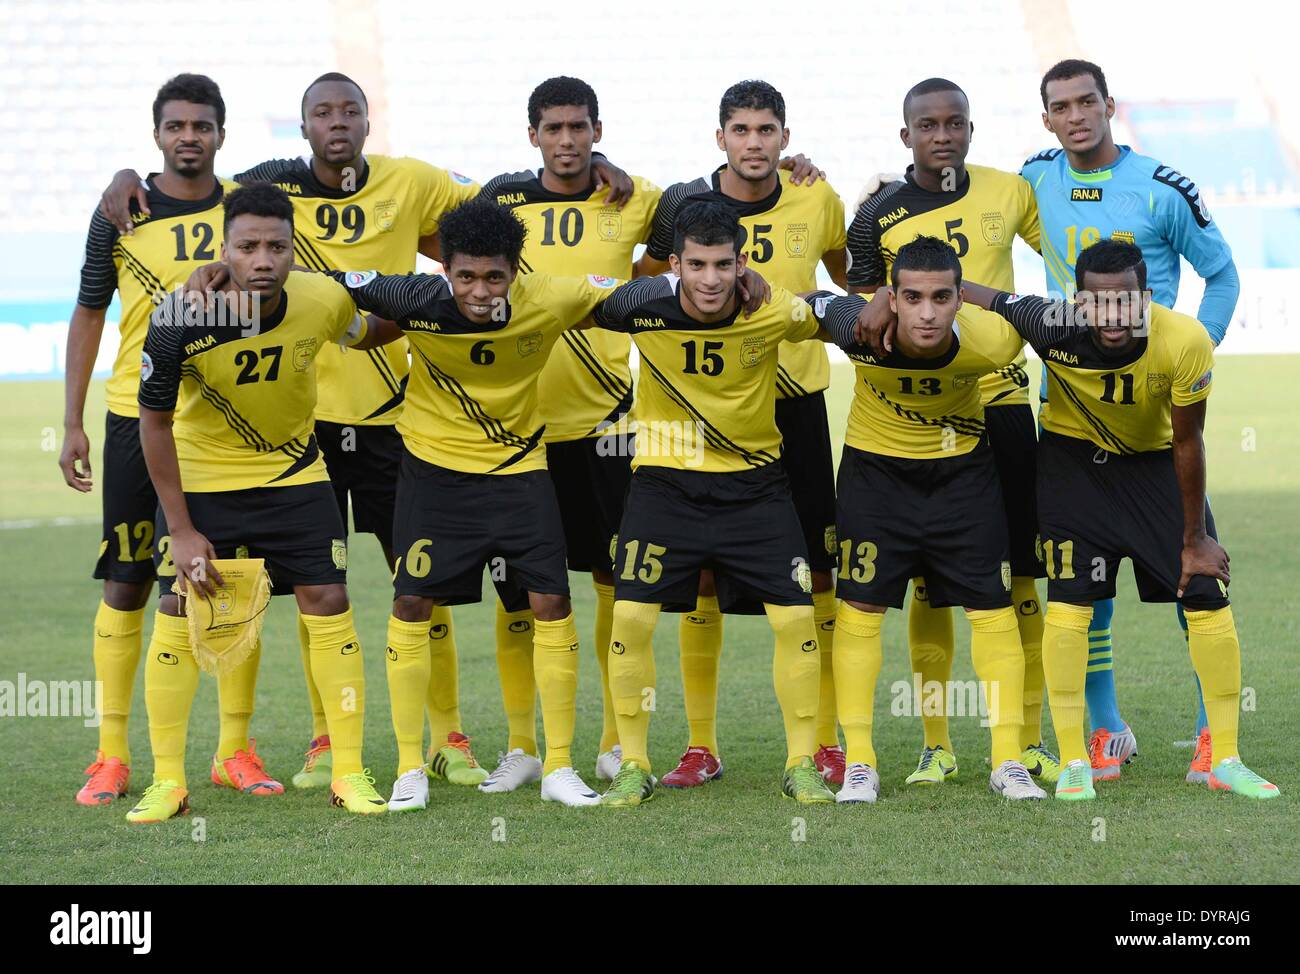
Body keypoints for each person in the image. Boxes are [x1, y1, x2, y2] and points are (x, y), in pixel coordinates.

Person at [958, 239, 1275, 801]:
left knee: (1204, 588)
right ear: (1077, 303)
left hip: (1154, 465)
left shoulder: (1184, 340)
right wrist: (888, 295)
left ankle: (1223, 757)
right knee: (1071, 601)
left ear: (1146, 297)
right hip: (1072, 471)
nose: (1111, 315)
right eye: (1097, 303)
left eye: (1125, 302)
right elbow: (986, 296)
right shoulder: (1049, 322)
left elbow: (1188, 439)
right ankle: (1076, 759)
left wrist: (1196, 537)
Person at [128, 182, 399, 822]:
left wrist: (443, 315)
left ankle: (349, 773)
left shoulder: (323, 300)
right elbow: (153, 423)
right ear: (222, 248)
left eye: (277, 246)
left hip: (296, 476)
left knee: (329, 598)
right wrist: (182, 529)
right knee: (179, 606)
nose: (262, 259)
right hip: (206, 479)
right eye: (247, 246)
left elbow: (366, 332)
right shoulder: (179, 318)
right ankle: (168, 780)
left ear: (293, 249)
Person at [1022, 59, 1240, 782]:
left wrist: (1193, 351)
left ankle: (1214, 738)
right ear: (1046, 116)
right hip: (1074, 415)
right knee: (1085, 591)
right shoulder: (1034, 180)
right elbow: (966, 212)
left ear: (1109, 105)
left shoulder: (1164, 188)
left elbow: (1224, 272)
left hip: (1153, 420)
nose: (1077, 114)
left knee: (1193, 570)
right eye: (1063, 105)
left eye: (1089, 101)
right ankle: (1106, 730)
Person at [636, 80, 849, 788]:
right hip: (709, 413)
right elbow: (645, 282)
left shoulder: (816, 196)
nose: (754, 143)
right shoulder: (684, 206)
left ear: (786, 138)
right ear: (720, 136)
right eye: (741, 130)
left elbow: (851, 282)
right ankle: (702, 744)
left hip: (795, 403)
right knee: (699, 572)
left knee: (818, 573)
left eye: (767, 130)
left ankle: (822, 740)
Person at [847, 78, 1058, 787]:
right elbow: (864, 302)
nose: (944, 135)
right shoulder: (877, 213)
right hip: (919, 414)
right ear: (905, 134)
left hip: (998, 402)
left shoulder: (1012, 191)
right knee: (930, 588)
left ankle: (1022, 740)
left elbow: (1059, 253)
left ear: (972, 129)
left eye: (956, 123)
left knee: (1015, 577)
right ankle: (936, 743)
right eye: (929, 125)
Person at [822, 235, 1048, 803]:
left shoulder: (993, 341)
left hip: (962, 480)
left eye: (942, 297)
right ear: (892, 299)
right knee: (860, 608)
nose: (927, 313)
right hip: (875, 478)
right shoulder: (857, 330)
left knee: (992, 609)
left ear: (960, 299)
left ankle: (1007, 760)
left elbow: (1055, 320)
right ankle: (861, 763)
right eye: (913, 297)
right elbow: (802, 303)